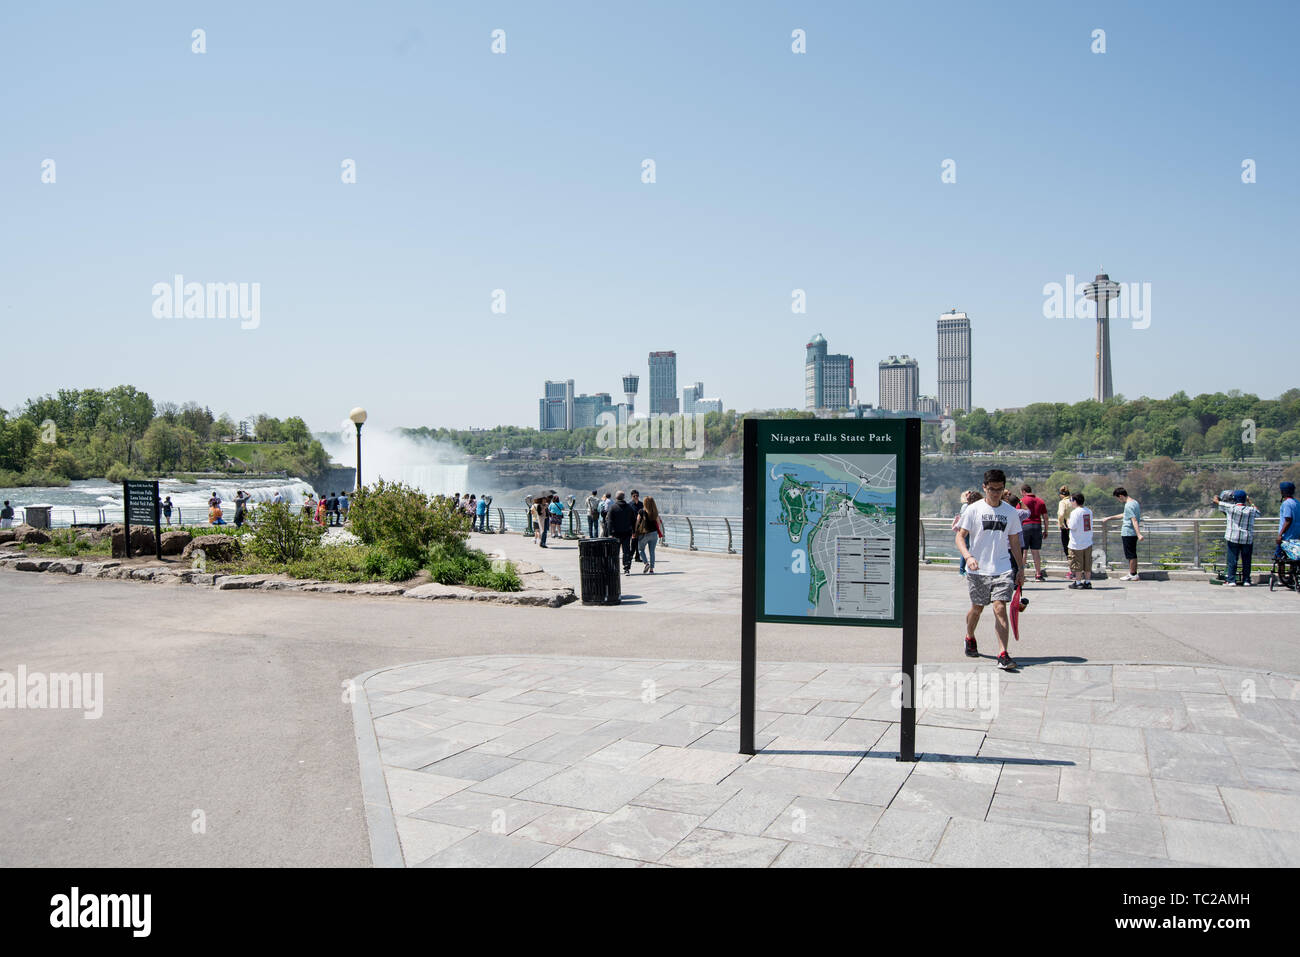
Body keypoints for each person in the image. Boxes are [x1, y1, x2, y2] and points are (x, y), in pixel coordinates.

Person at [955, 469, 1024, 671]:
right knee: (977, 608)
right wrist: (968, 557)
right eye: (991, 489)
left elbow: (1014, 541)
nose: (995, 493)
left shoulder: (1010, 512)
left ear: (1004, 489)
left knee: (1000, 608)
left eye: (999, 489)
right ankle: (969, 636)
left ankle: (1003, 653)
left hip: (1002, 568)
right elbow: (960, 536)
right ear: (984, 487)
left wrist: (1020, 568)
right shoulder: (973, 510)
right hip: (978, 569)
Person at [1210, 489, 1260, 586]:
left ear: (1234, 499)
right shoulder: (1251, 510)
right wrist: (1250, 501)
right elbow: (1258, 512)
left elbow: (1218, 502)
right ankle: (1246, 580)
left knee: (1232, 559)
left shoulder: (1231, 508)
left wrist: (1216, 497)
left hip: (1233, 537)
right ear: (1245, 499)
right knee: (1246, 560)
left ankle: (1231, 580)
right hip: (1247, 538)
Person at [1112, 487, 1144, 580]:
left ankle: (1133, 574)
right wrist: (1109, 518)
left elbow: (1133, 520)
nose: (1118, 500)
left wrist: (1139, 534)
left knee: (1130, 554)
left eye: (1118, 498)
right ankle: (1133, 573)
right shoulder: (1135, 502)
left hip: (1128, 532)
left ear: (1121, 496)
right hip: (1132, 532)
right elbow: (1125, 515)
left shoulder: (1128, 505)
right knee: (1132, 553)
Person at [1019, 484, 1049, 581]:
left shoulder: (1022, 501)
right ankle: (1038, 574)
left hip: (1025, 526)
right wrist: (1046, 530)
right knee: (1035, 551)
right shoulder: (1040, 501)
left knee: (1024, 551)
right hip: (1037, 526)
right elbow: (1045, 517)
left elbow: (1016, 514)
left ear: (1023, 491)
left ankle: (1022, 575)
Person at [1067, 493, 1095, 589]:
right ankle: (1087, 582)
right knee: (1087, 563)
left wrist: (1067, 522)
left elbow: (1072, 526)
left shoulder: (1075, 512)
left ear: (1075, 501)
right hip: (1087, 541)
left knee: (1077, 562)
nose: (1070, 502)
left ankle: (1078, 582)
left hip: (1077, 542)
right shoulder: (1088, 511)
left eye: (1071, 500)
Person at [606, 490, 637, 573]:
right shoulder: (629, 507)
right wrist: (634, 532)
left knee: (615, 551)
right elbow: (633, 521)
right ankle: (626, 568)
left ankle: (614, 568)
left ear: (616, 497)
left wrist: (610, 533)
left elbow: (610, 522)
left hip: (616, 533)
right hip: (627, 533)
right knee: (626, 551)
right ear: (624, 497)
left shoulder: (613, 508)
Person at [951, 491, 979, 575]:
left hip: (971, 531)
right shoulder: (966, 506)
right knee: (965, 548)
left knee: (969, 548)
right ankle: (962, 569)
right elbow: (964, 518)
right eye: (968, 493)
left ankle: (966, 568)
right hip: (966, 531)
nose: (969, 494)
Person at [636, 496, 666, 573]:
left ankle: (646, 563)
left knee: (641, 549)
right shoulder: (655, 513)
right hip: (654, 533)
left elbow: (637, 522)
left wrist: (635, 532)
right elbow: (658, 523)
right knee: (652, 551)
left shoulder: (641, 511)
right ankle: (651, 569)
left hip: (644, 534)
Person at [1057, 486, 1075, 579]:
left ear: (1061, 495)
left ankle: (1072, 571)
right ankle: (1079, 570)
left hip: (1066, 526)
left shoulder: (1062, 502)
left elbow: (1061, 514)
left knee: (1068, 549)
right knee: (1076, 548)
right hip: (1075, 526)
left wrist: (1060, 523)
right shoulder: (1073, 501)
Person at [629, 490, 645, 562]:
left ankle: (637, 557)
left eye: (637, 496)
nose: (636, 497)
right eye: (634, 496)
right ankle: (630, 556)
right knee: (633, 542)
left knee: (639, 542)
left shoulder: (641, 504)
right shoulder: (629, 505)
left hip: (641, 526)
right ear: (631, 496)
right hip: (632, 526)